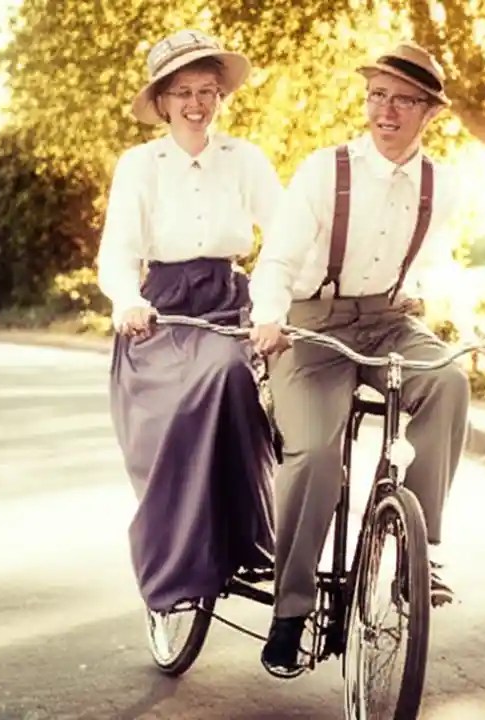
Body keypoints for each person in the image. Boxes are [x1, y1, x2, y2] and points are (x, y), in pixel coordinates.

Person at [246, 40, 485, 676]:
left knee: (447, 378)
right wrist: (268, 317)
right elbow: (279, 258)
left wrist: (479, 326)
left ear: (429, 113)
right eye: (376, 95)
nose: (385, 110)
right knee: (313, 453)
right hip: (311, 328)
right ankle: (290, 609)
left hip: (392, 320)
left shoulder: (439, 185)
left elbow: (442, 264)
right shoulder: (325, 170)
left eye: (402, 100)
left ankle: (411, 554)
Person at [97, 29, 282, 616]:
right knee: (175, 415)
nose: (197, 104)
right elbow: (118, 250)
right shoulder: (140, 165)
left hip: (230, 297)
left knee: (231, 372)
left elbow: (284, 233)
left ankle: (248, 536)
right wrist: (127, 299)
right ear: (162, 102)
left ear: (221, 97)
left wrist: (287, 296)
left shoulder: (245, 159)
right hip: (163, 307)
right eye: (183, 92)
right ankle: (179, 563)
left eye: (208, 90)